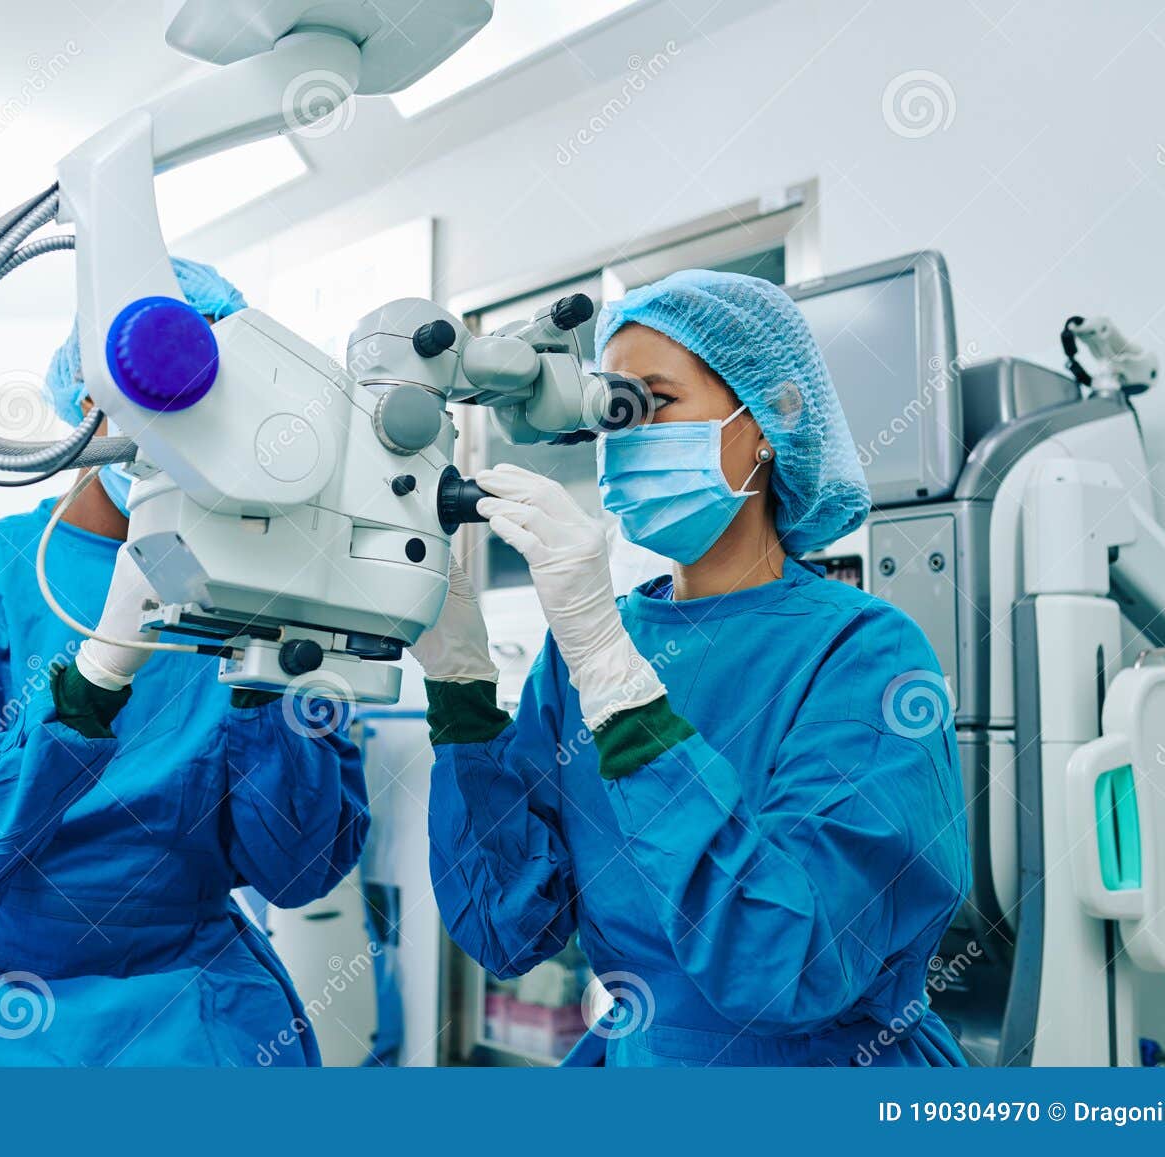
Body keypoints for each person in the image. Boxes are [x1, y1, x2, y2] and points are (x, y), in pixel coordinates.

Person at [414, 270, 970, 1067]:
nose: (628, 435)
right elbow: (510, 927)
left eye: (656, 402)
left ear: (770, 419)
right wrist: (459, 685)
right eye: (615, 408)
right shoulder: (588, 646)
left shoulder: (866, 653)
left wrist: (616, 678)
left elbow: (789, 963)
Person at [0, 260, 368, 1067]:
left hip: (196, 1009)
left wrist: (264, 677)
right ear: (92, 403)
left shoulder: (268, 598)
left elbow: (297, 871)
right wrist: (91, 684)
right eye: (177, 398)